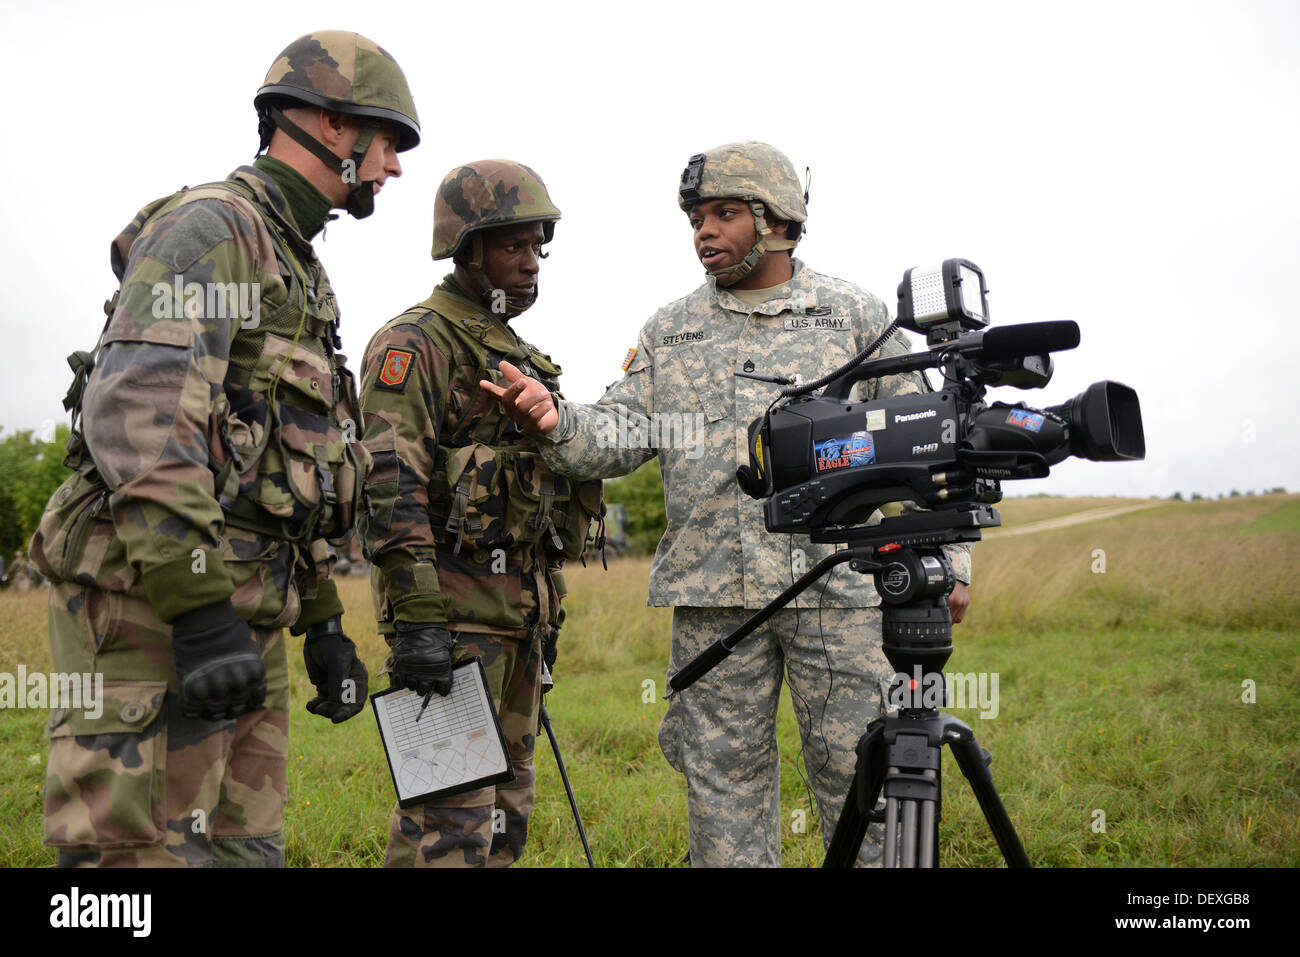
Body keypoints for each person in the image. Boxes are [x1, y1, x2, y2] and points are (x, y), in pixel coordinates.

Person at [483, 141, 973, 867]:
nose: (703, 232)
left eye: (724, 214)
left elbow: (928, 441)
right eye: (694, 218)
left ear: (776, 220)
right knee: (721, 797)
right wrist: (556, 419)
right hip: (713, 603)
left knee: (864, 786)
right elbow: (620, 431)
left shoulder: (853, 317)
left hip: (836, 593)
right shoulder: (671, 329)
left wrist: (949, 557)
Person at [28, 31, 420, 867]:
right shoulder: (213, 229)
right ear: (326, 120)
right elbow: (139, 413)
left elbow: (294, 459)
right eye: (386, 139)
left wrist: (321, 623)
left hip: (243, 619)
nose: (392, 167)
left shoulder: (299, 268)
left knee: (242, 853)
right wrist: (200, 608)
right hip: (150, 610)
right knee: (131, 865)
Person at [358, 160, 602, 867]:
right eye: (511, 248)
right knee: (446, 825)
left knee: (505, 821)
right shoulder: (418, 343)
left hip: (518, 621)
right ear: (466, 250)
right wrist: (420, 623)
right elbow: (387, 483)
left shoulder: (517, 354)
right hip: (452, 624)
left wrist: (543, 615)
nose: (530, 266)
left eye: (537, 249)